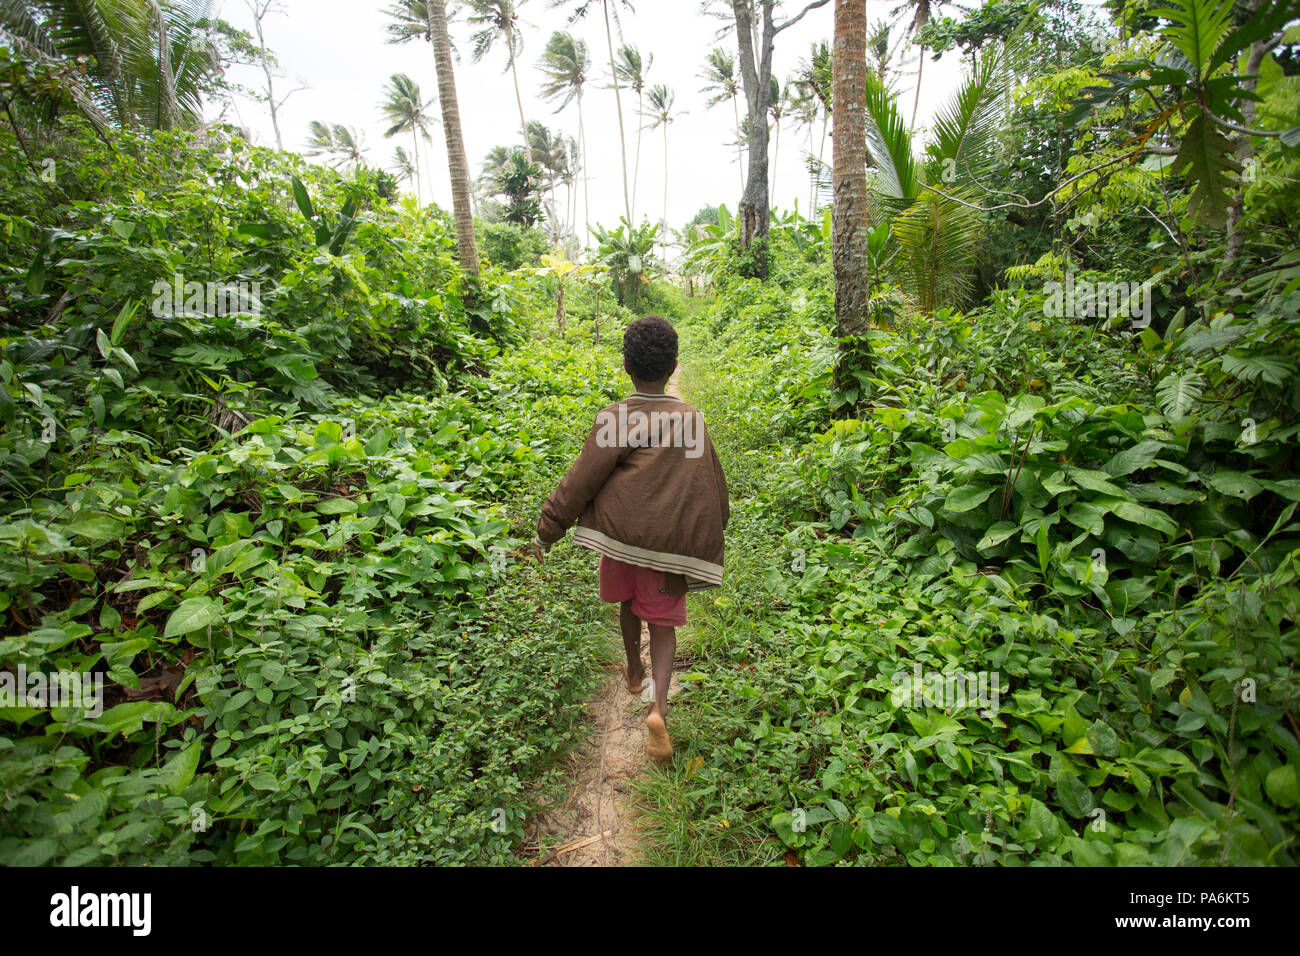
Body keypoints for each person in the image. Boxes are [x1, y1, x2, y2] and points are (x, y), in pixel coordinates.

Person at [532, 315, 729, 762]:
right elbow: (708, 482)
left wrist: (548, 530)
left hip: (621, 541)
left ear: (626, 365)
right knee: (663, 625)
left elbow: (580, 481)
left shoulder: (615, 419)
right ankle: (659, 707)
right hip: (667, 550)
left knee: (627, 604)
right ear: (674, 366)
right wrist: (717, 527)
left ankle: (633, 670)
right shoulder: (690, 421)